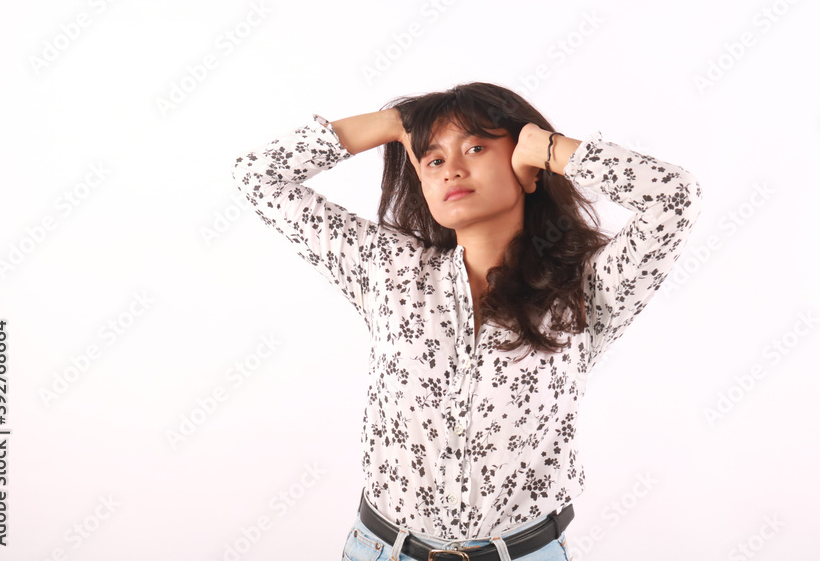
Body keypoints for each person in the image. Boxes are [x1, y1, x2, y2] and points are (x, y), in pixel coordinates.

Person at [231, 82, 702, 561]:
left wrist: (546, 147)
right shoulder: (388, 268)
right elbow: (258, 175)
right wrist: (396, 123)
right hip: (384, 550)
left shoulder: (585, 289)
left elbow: (674, 199)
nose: (452, 169)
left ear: (525, 166)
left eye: (475, 148)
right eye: (433, 159)